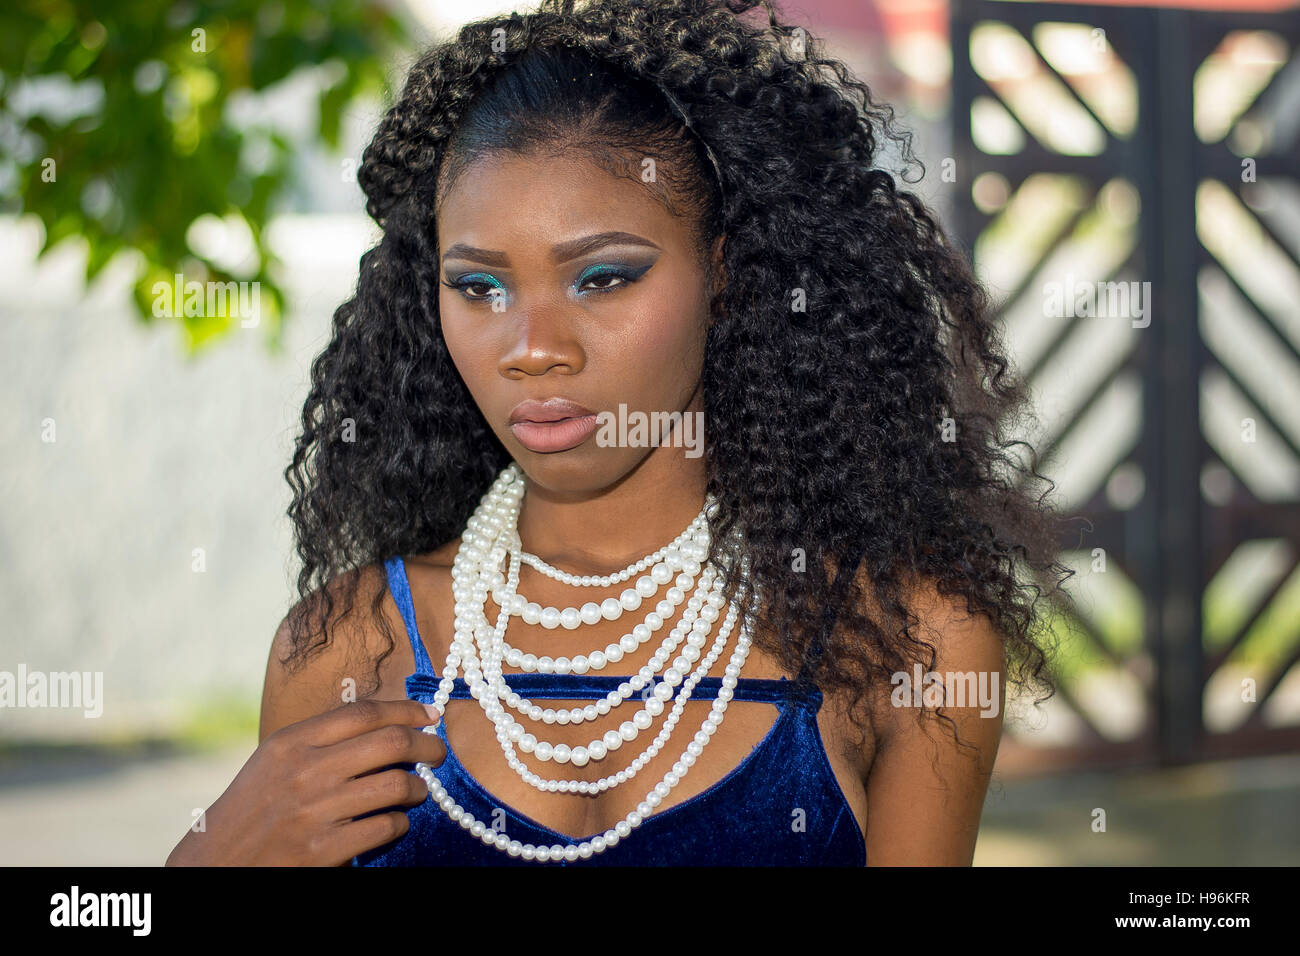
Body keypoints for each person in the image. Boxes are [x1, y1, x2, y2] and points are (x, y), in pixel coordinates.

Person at [166, 0, 1068, 867]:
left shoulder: (908, 641)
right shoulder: (346, 648)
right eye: (479, 287)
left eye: (602, 277)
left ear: (726, 273)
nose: (533, 349)